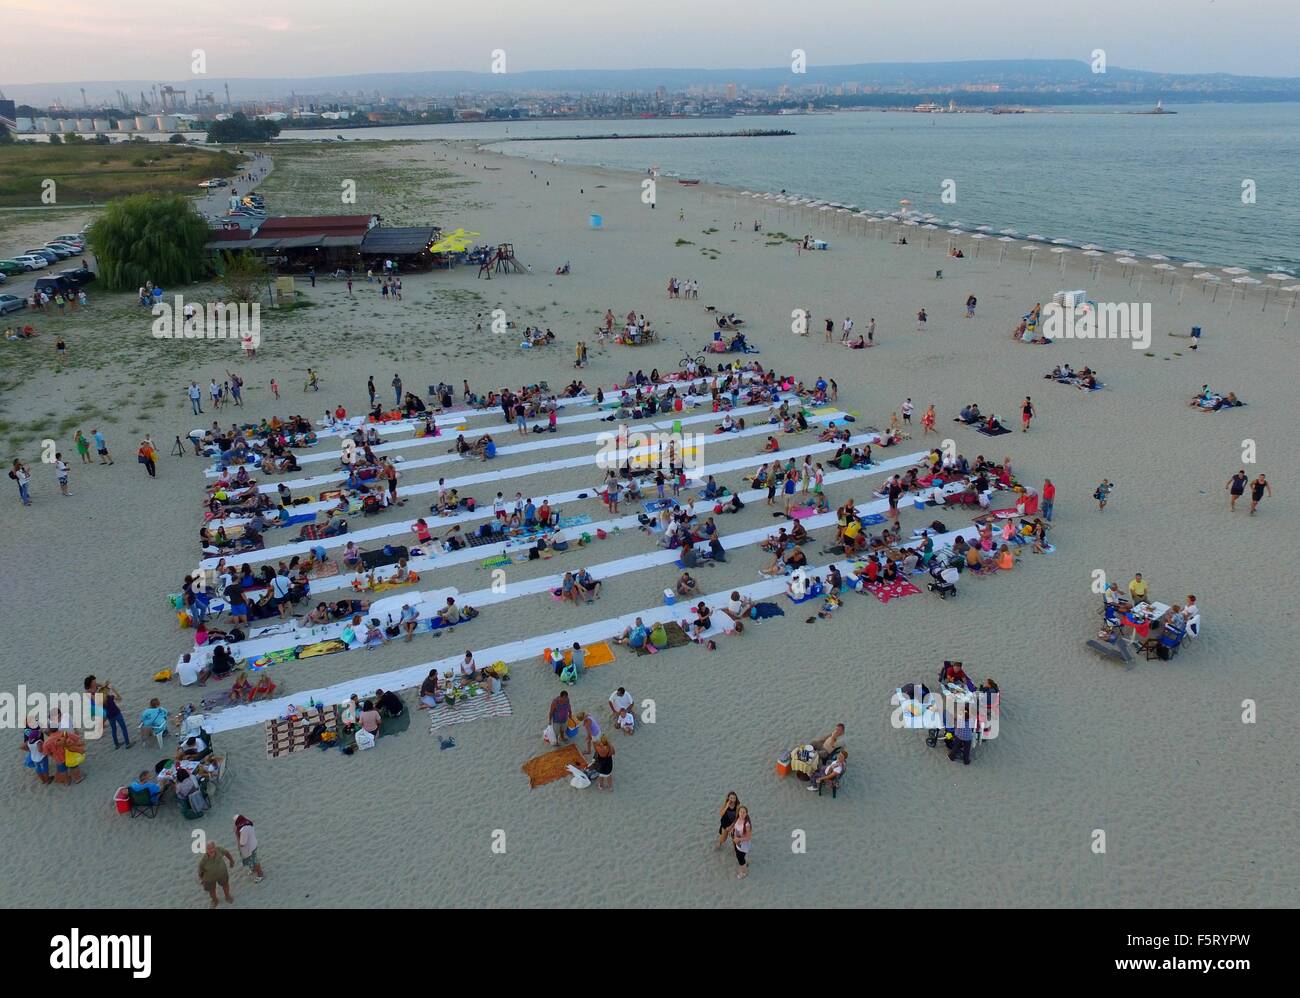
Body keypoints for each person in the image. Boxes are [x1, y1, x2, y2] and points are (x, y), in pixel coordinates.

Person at [197, 841, 236, 908]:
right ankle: (215, 901)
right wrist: (202, 879)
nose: (211, 850)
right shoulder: (203, 860)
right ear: (206, 850)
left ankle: (227, 896)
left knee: (225, 885)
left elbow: (227, 853)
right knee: (212, 890)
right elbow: (200, 871)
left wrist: (231, 861)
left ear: (215, 848)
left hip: (222, 873)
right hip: (209, 878)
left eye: (212, 848)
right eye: (208, 849)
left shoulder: (219, 850)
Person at [234, 815, 265, 883]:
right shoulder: (248, 823)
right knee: (253, 860)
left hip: (249, 848)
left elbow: (242, 843)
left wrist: (237, 835)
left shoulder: (243, 830)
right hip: (253, 845)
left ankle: (260, 874)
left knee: (254, 861)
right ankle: (254, 869)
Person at [731, 805, 753, 878]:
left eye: (744, 812)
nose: (742, 814)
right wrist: (732, 831)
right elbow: (735, 827)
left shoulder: (746, 824)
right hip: (738, 843)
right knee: (738, 855)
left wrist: (738, 839)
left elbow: (748, 837)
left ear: (746, 814)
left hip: (743, 845)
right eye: (741, 812)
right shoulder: (738, 819)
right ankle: (745, 864)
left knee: (740, 858)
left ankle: (744, 872)